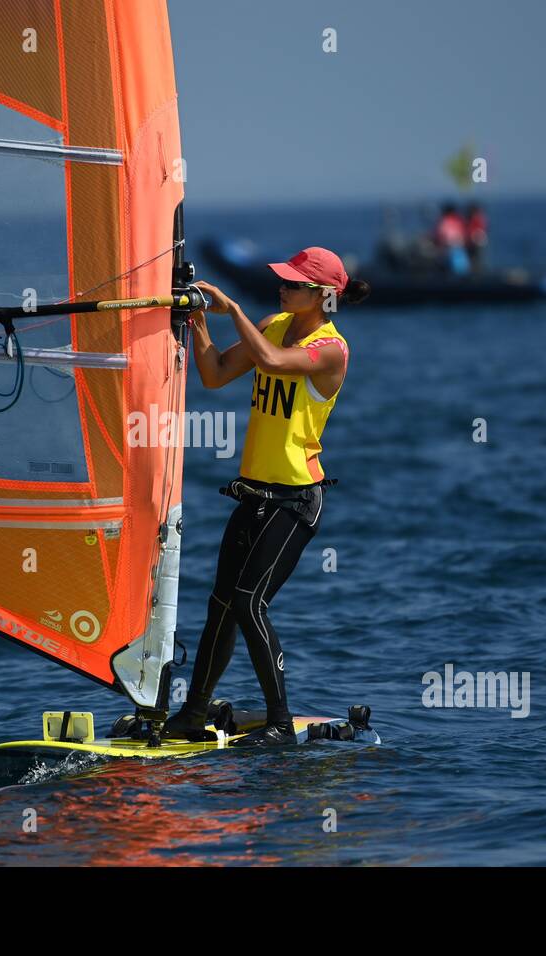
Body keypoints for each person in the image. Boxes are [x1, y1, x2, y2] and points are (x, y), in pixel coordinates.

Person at [162, 247, 370, 746]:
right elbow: (212, 374)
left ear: (322, 296)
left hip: (296, 500)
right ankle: (193, 712)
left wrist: (230, 309)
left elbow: (274, 361)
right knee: (220, 606)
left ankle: (280, 723)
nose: (282, 287)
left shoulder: (331, 348)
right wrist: (195, 320)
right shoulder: (273, 324)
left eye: (294, 284)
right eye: (282, 280)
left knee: (249, 602)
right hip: (253, 494)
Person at [432, 203, 470, 275]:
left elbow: (439, 236)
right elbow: (465, 235)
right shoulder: (459, 221)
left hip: (447, 252)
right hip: (460, 251)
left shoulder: (443, 222)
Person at [464, 203, 488, 272]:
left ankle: (477, 272)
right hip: (477, 242)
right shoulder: (480, 218)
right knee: (476, 259)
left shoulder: (476, 219)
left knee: (476, 259)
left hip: (476, 242)